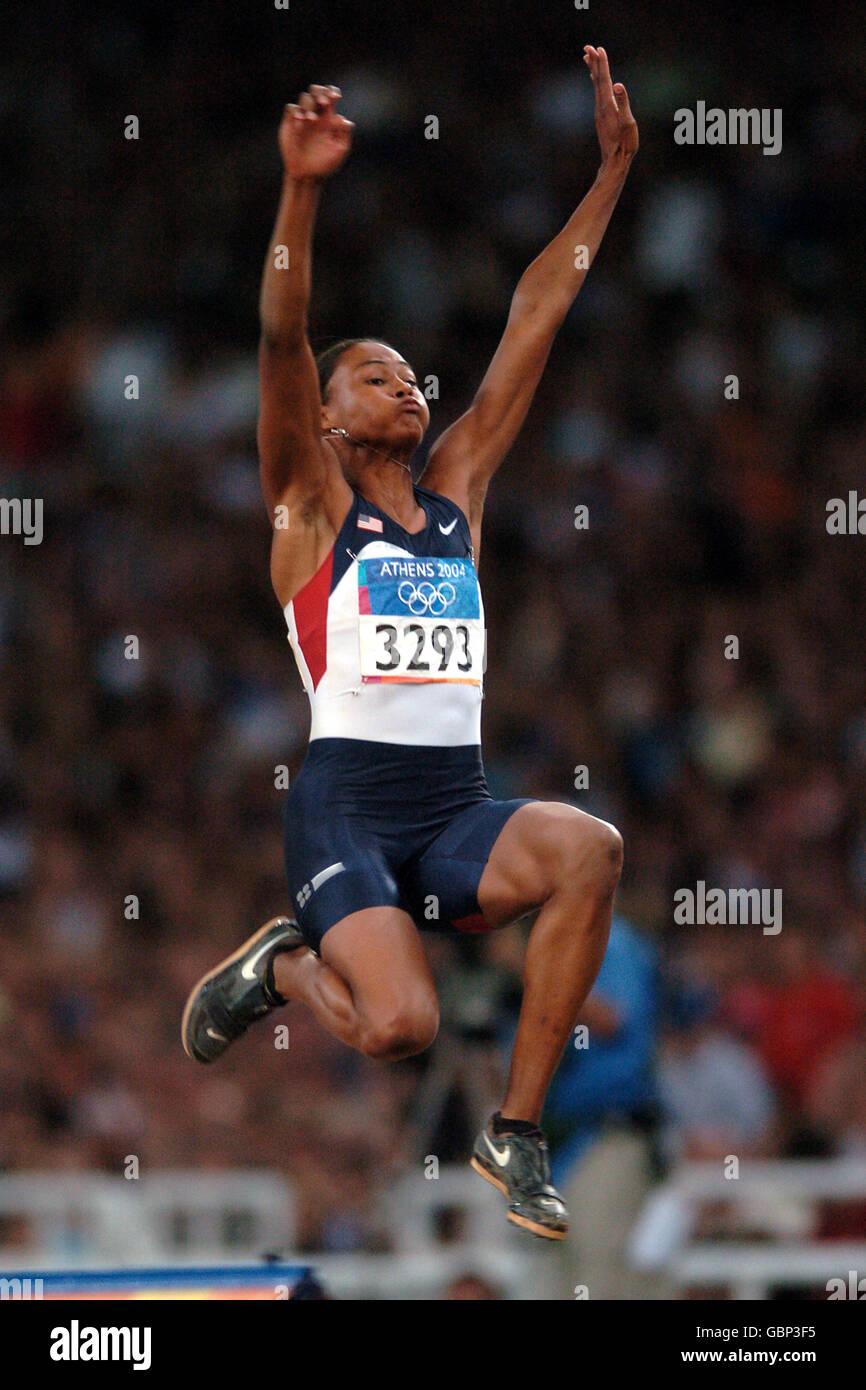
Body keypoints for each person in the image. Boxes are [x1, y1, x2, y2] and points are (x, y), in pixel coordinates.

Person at [182, 46, 638, 1241]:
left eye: (407, 375)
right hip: (345, 808)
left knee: (589, 848)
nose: (405, 388)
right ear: (329, 421)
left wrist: (608, 174)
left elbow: (537, 309)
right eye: (375, 379)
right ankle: (282, 963)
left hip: (452, 807)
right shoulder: (306, 510)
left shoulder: (456, 499)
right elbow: (283, 338)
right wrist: (300, 191)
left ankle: (516, 1129)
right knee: (398, 1027)